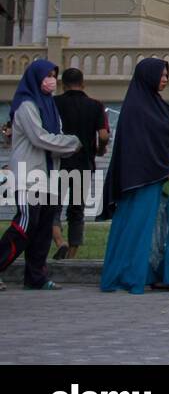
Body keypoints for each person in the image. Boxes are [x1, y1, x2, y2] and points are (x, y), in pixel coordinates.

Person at [100, 58, 169, 294]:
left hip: (163, 178)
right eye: (161, 75)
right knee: (138, 227)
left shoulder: (163, 108)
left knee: (161, 228)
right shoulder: (135, 110)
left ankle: (158, 274)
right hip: (140, 180)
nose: (165, 79)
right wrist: (163, 167)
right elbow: (139, 148)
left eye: (167, 75)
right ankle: (129, 275)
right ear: (148, 76)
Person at [0, 60, 81, 289]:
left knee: (44, 228)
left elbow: (58, 135)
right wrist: (72, 143)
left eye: (54, 75)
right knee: (26, 224)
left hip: (47, 176)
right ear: (36, 78)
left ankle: (36, 276)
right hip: (28, 174)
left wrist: (66, 144)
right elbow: (40, 137)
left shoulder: (50, 106)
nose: (52, 80)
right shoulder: (26, 105)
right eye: (47, 75)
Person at [49, 68, 109, 261]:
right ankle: (71, 255)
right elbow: (103, 135)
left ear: (62, 84)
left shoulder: (54, 103)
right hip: (83, 164)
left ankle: (60, 242)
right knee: (77, 209)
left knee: (52, 206)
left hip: (58, 163)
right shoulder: (95, 105)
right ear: (83, 84)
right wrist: (100, 149)